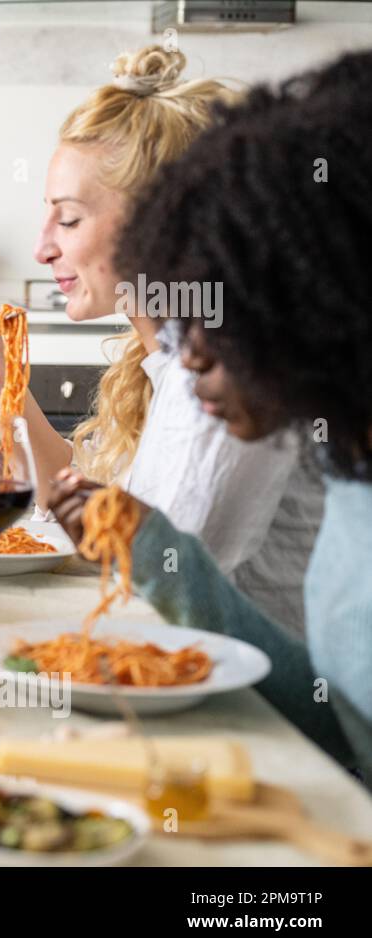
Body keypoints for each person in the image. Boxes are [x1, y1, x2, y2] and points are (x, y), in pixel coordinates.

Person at [0, 45, 324, 637]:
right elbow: (93, 514)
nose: (42, 247)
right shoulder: (180, 348)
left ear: (164, 224)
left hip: (269, 704)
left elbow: (147, 571)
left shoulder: (232, 363)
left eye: (68, 219)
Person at [48, 50, 372, 784]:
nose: (180, 354)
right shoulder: (353, 476)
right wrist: (160, 550)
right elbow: (344, 728)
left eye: (220, 297)